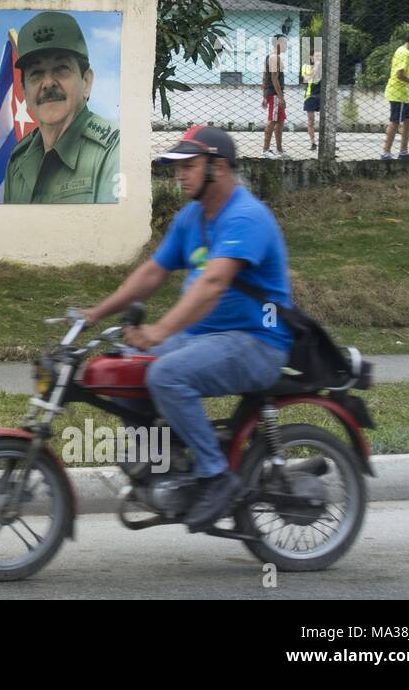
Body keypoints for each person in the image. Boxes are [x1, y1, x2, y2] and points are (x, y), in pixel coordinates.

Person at [78, 125, 293, 533]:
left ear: (220, 167)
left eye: (189, 165)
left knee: (167, 374)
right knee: (127, 364)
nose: (179, 174)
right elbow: (153, 272)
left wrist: (158, 331)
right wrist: (95, 313)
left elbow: (212, 285)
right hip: (208, 337)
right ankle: (161, 460)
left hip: (258, 341)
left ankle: (216, 475)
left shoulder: (246, 217)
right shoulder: (193, 216)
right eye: (177, 166)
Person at [3, 11, 119, 203]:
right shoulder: (17, 161)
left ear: (86, 82)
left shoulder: (114, 150)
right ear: (24, 91)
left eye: (61, 69)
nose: (47, 83)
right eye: (36, 73)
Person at [382, 31, 409, 160]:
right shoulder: (404, 53)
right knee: (395, 122)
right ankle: (386, 152)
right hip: (397, 93)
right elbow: (400, 75)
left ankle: (403, 152)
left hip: (403, 94)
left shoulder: (401, 50)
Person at [261, 34, 288, 159]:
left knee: (280, 121)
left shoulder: (270, 57)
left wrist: (264, 96)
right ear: (278, 44)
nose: (286, 45)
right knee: (272, 121)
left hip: (273, 94)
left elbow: (264, 78)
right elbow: (273, 78)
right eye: (284, 43)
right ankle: (265, 150)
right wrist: (281, 97)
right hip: (276, 94)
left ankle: (279, 150)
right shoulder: (274, 58)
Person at [301, 51, 322, 152]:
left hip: (323, 96)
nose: (319, 58)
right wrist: (316, 67)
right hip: (311, 96)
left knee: (327, 119)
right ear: (311, 57)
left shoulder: (324, 68)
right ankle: (313, 143)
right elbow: (306, 78)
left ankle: (326, 142)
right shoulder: (306, 66)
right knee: (311, 121)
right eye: (317, 56)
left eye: (320, 56)